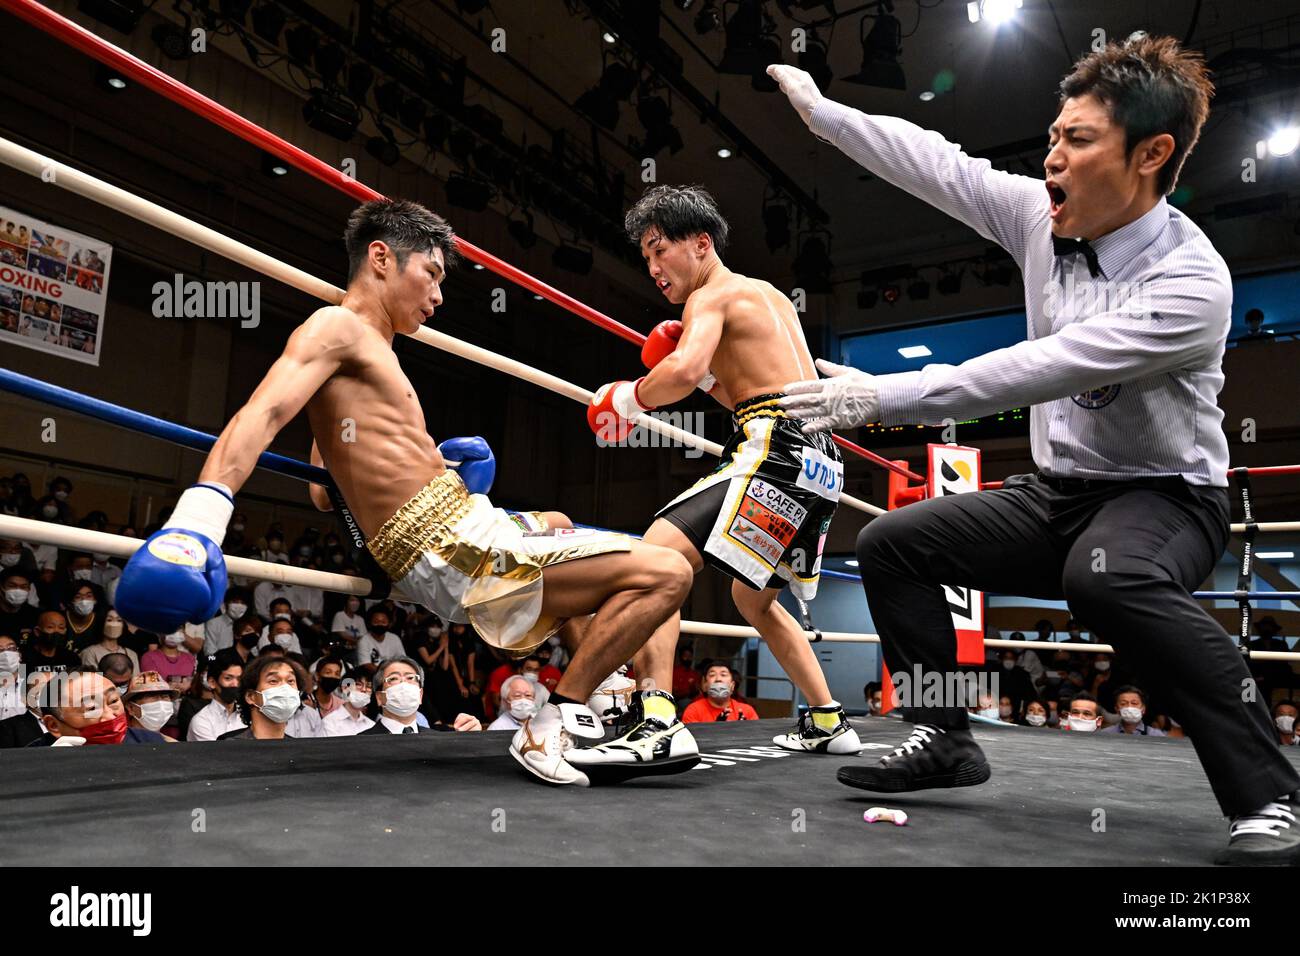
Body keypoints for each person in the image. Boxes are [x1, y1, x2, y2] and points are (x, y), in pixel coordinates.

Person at [767, 37, 1300, 864]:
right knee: (893, 545)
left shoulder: (1191, 284)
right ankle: (944, 737)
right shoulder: (1035, 217)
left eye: (1078, 141)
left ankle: (1270, 794)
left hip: (1165, 499)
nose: (1051, 158)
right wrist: (825, 117)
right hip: (1056, 491)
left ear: (1152, 154)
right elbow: (937, 164)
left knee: (1108, 575)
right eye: (1054, 135)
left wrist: (879, 396)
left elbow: (1036, 370)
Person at [114, 198, 699, 785]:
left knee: (559, 520)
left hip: (454, 526)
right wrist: (198, 520)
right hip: (446, 541)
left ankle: (604, 706)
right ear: (380, 258)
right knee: (669, 570)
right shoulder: (337, 326)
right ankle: (557, 720)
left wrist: (440, 467)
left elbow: (328, 490)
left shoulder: (373, 355)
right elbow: (260, 414)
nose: (438, 296)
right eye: (433, 274)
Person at [581, 184, 858, 766]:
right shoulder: (769, 298)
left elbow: (682, 369)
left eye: (660, 249)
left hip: (775, 442)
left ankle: (657, 719)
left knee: (657, 558)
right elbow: (743, 386)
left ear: (701, 243)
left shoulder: (709, 297)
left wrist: (628, 399)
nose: (654, 267)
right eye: (646, 258)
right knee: (752, 600)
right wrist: (704, 380)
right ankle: (829, 722)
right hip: (821, 460)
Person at [361, 657, 480, 734]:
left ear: (420, 695)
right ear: (379, 697)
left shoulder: (440, 739)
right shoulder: (360, 743)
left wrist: (472, 738)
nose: (404, 684)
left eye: (410, 678)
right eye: (394, 678)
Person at [220, 654, 308, 740]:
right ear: (251, 696)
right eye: (273, 681)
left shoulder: (300, 750)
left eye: (290, 681)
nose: (285, 687)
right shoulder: (231, 748)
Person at [187, 651, 245, 741]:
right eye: (228, 678)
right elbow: (217, 754)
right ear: (212, 682)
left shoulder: (248, 715)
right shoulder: (201, 721)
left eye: (239, 679)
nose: (235, 684)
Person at [681, 662, 758, 723]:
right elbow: (689, 741)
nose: (718, 679)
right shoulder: (693, 711)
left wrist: (745, 730)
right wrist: (717, 729)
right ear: (705, 685)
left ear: (732, 685)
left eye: (723, 675)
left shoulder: (746, 711)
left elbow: (757, 738)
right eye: (712, 675)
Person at [120, 670, 178, 741]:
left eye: (164, 696)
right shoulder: (121, 743)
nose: (160, 703)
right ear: (131, 708)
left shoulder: (171, 743)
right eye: (152, 696)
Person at [322, 671, 375, 736]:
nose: (364, 689)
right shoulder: (330, 722)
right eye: (358, 684)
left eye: (368, 686)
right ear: (345, 688)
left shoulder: (371, 725)